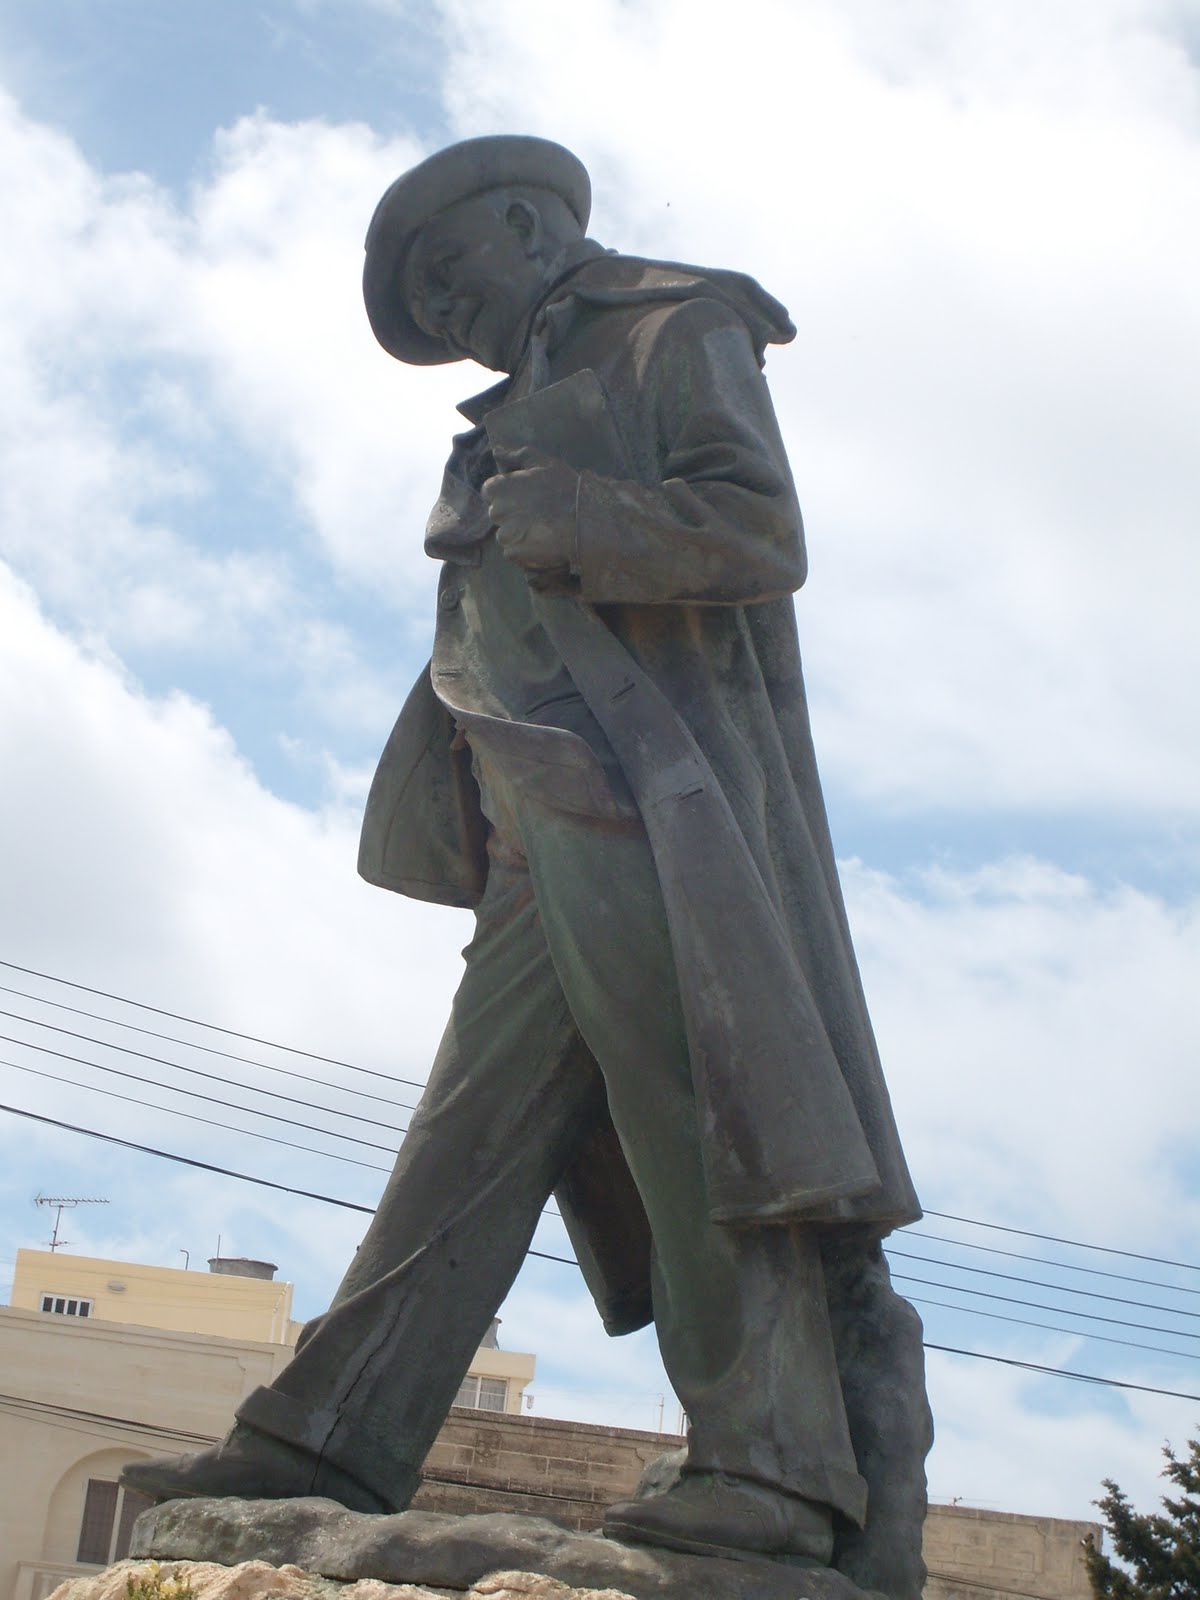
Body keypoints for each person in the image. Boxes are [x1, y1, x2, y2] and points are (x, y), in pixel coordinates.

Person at [124, 135, 932, 1595]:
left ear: (526, 219)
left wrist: (581, 523)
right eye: (427, 299)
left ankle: (770, 1467)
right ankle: (325, 1441)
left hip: (651, 806)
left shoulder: (679, 324)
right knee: (469, 1129)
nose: (448, 309)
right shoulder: (505, 405)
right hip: (532, 807)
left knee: (704, 1114)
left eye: (451, 271)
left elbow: (760, 531)